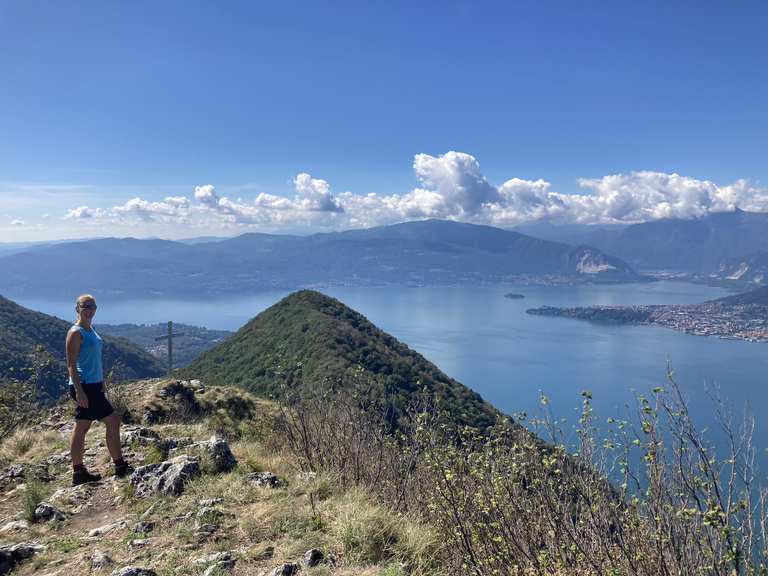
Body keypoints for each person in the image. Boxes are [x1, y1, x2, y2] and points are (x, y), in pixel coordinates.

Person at [66, 294, 132, 486]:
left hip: (93, 385)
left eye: (92, 306)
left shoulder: (90, 329)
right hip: (84, 386)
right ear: (77, 309)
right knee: (112, 421)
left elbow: (93, 360)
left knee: (83, 426)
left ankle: (79, 472)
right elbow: (71, 365)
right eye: (85, 306)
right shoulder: (76, 332)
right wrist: (79, 391)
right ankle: (119, 466)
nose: (89, 309)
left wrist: (101, 381)